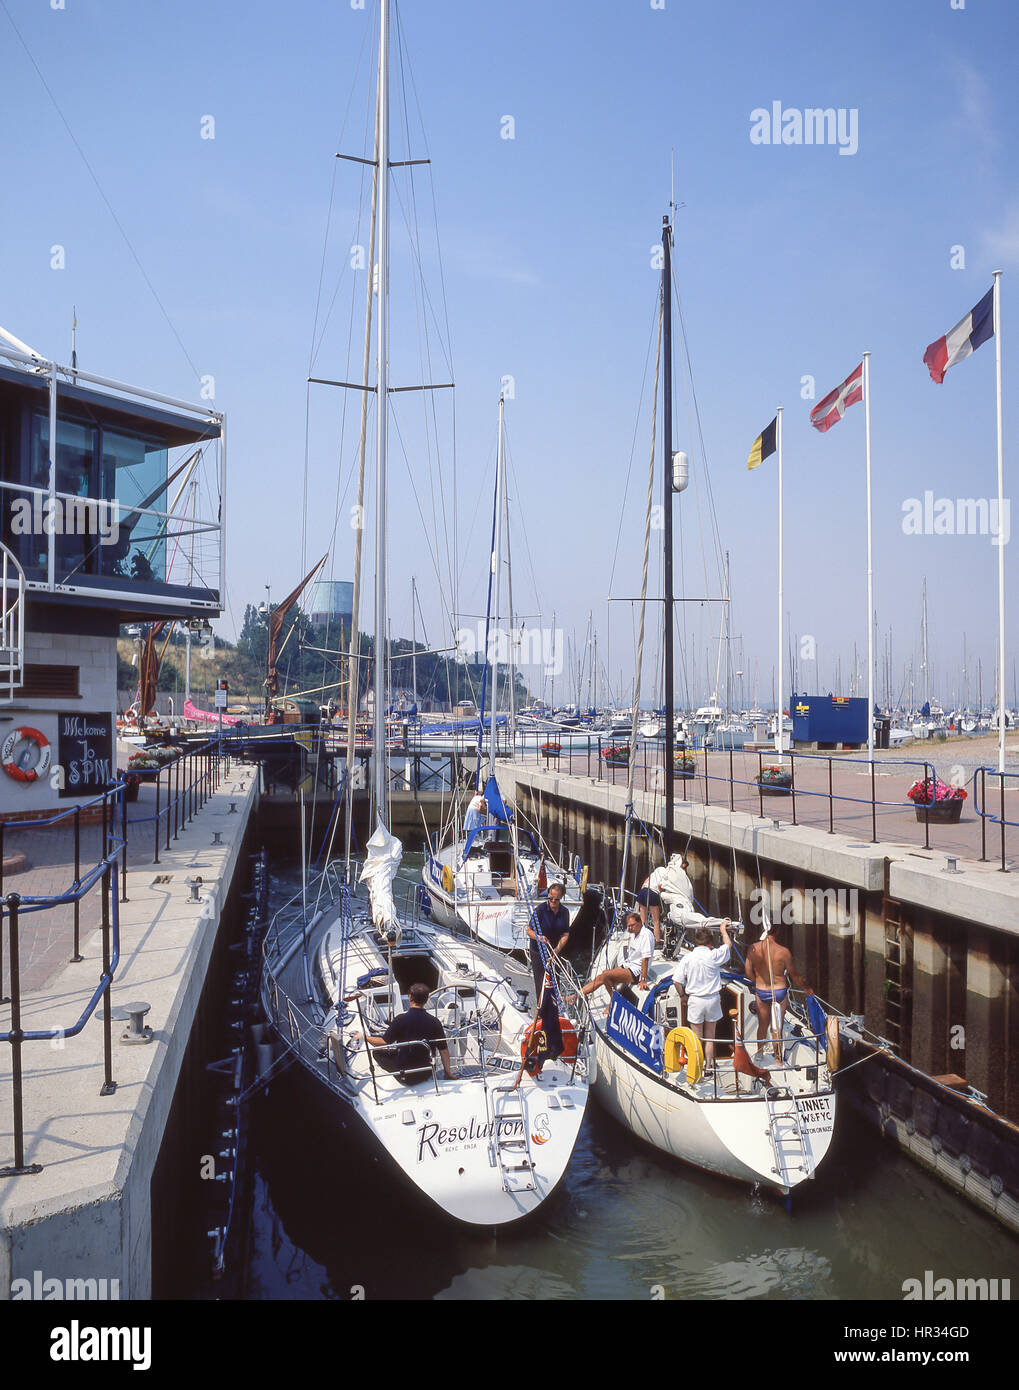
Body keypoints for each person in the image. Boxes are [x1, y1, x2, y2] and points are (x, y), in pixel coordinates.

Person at [358, 982, 456, 1079]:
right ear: (426, 1000)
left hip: (404, 1073)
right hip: (425, 1072)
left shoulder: (400, 1019)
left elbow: (383, 1042)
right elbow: (444, 1051)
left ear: (410, 997)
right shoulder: (435, 1022)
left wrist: (364, 1037)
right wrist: (448, 1073)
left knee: (377, 1053)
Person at [743, 927, 813, 1062]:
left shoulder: (753, 948)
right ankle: (777, 1058)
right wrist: (806, 988)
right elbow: (794, 975)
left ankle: (759, 1054)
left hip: (761, 990)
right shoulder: (783, 951)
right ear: (777, 932)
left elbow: (748, 971)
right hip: (779, 991)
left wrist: (757, 981)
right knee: (777, 1026)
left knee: (762, 1025)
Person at [672, 919, 732, 1067]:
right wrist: (723, 929)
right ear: (710, 943)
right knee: (710, 1037)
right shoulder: (714, 955)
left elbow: (676, 981)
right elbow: (728, 946)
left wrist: (682, 996)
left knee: (696, 1038)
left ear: (696, 942)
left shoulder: (688, 958)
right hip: (712, 999)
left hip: (696, 1001)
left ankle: (697, 1067)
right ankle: (709, 1066)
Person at [581, 911, 654, 1000]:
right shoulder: (634, 934)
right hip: (629, 965)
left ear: (640, 922)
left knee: (606, 975)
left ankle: (613, 1001)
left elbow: (645, 959)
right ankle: (575, 996)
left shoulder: (646, 935)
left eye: (633, 925)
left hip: (637, 972)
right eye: (629, 926)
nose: (630, 928)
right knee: (601, 976)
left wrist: (643, 980)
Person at [526, 881, 570, 998]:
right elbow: (529, 931)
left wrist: (557, 949)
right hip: (538, 951)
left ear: (561, 898)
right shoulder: (540, 910)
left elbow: (565, 934)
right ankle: (541, 1010)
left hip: (554, 952)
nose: (553, 902)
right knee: (541, 983)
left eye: (556, 899)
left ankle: (554, 1006)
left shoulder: (565, 912)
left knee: (554, 981)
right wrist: (539, 938)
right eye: (551, 898)